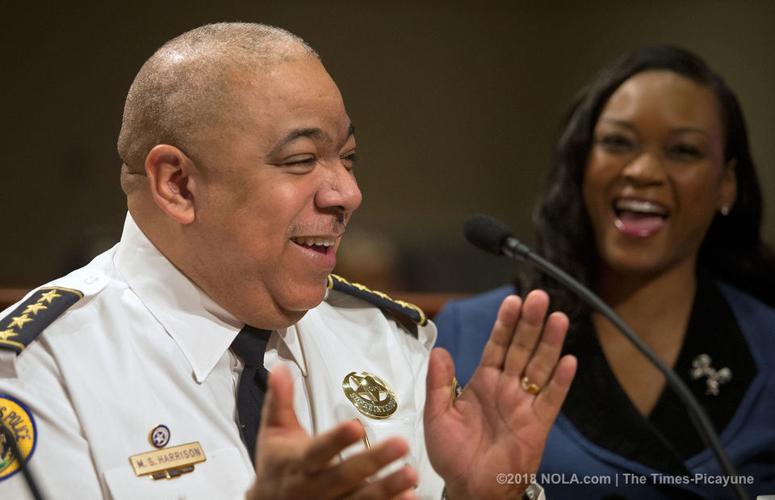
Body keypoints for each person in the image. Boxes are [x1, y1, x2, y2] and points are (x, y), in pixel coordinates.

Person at [0, 23, 577, 500]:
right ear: (177, 184)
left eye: (347, 157)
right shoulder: (37, 373)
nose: (346, 193)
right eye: (301, 160)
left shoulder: (388, 342)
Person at [435, 45, 775, 499]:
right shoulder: (471, 333)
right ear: (582, 164)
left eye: (683, 150)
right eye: (618, 142)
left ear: (726, 184)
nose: (643, 171)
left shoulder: (768, 344)